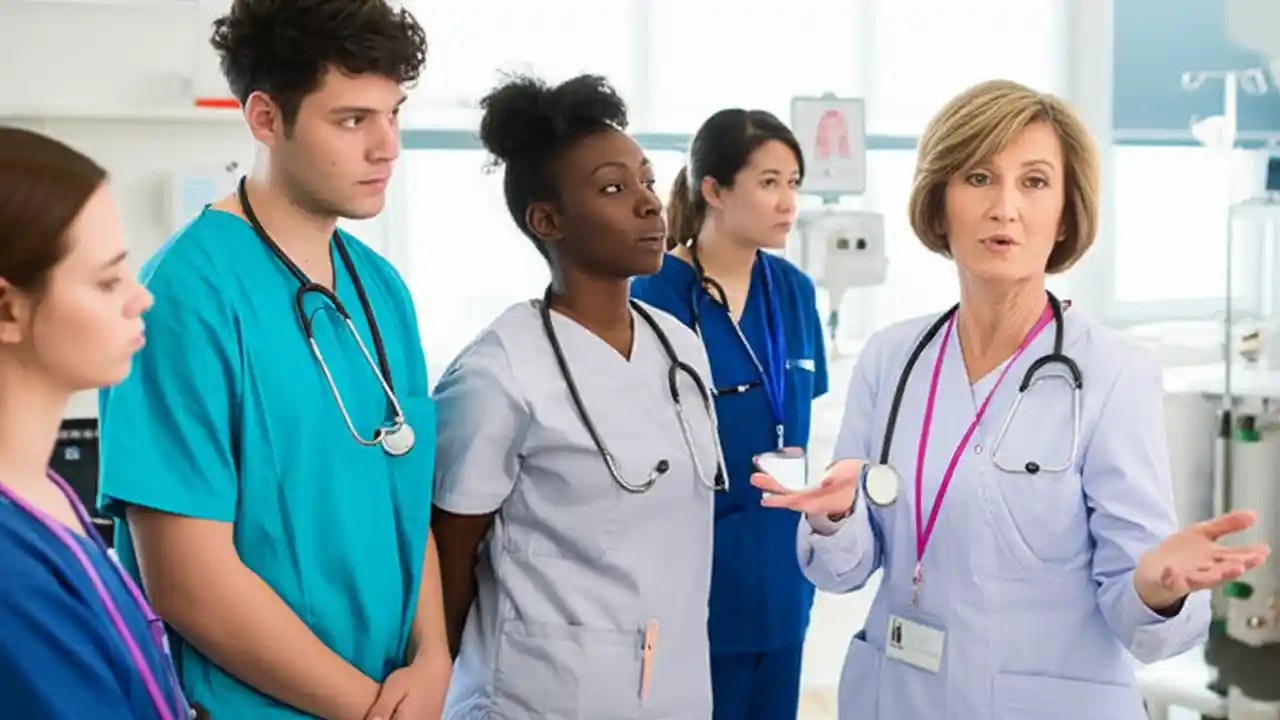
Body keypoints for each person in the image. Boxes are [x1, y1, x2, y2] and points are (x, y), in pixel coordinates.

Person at [753, 79, 1273, 719]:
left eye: (1033, 182)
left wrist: (1155, 587)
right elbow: (843, 571)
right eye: (978, 178)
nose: (1005, 207)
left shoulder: (1112, 374)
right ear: (940, 205)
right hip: (899, 697)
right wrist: (833, 518)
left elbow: (1144, 615)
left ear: (1065, 214)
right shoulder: (892, 359)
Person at [95, 2, 448, 718]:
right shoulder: (186, 295)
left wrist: (435, 655)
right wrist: (368, 709)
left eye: (393, 113)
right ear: (264, 119)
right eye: (352, 120)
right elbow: (187, 581)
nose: (388, 147)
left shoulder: (382, 289)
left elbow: (406, 500)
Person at [431, 72, 723, 719]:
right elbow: (445, 566)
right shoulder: (498, 372)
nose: (650, 204)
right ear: (548, 220)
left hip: (674, 691)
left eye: (647, 180)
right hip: (539, 699)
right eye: (614, 189)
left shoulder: (681, 347)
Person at [629, 109, 828, 720]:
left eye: (793, 182)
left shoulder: (793, 290)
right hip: (693, 579)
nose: (787, 200)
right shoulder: (652, 293)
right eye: (769, 182)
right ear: (713, 190)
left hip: (781, 574)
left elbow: (798, 418)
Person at [0, 127, 195, 719]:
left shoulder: (42, 493)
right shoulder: (10, 572)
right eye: (108, 281)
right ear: (8, 310)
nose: (141, 299)